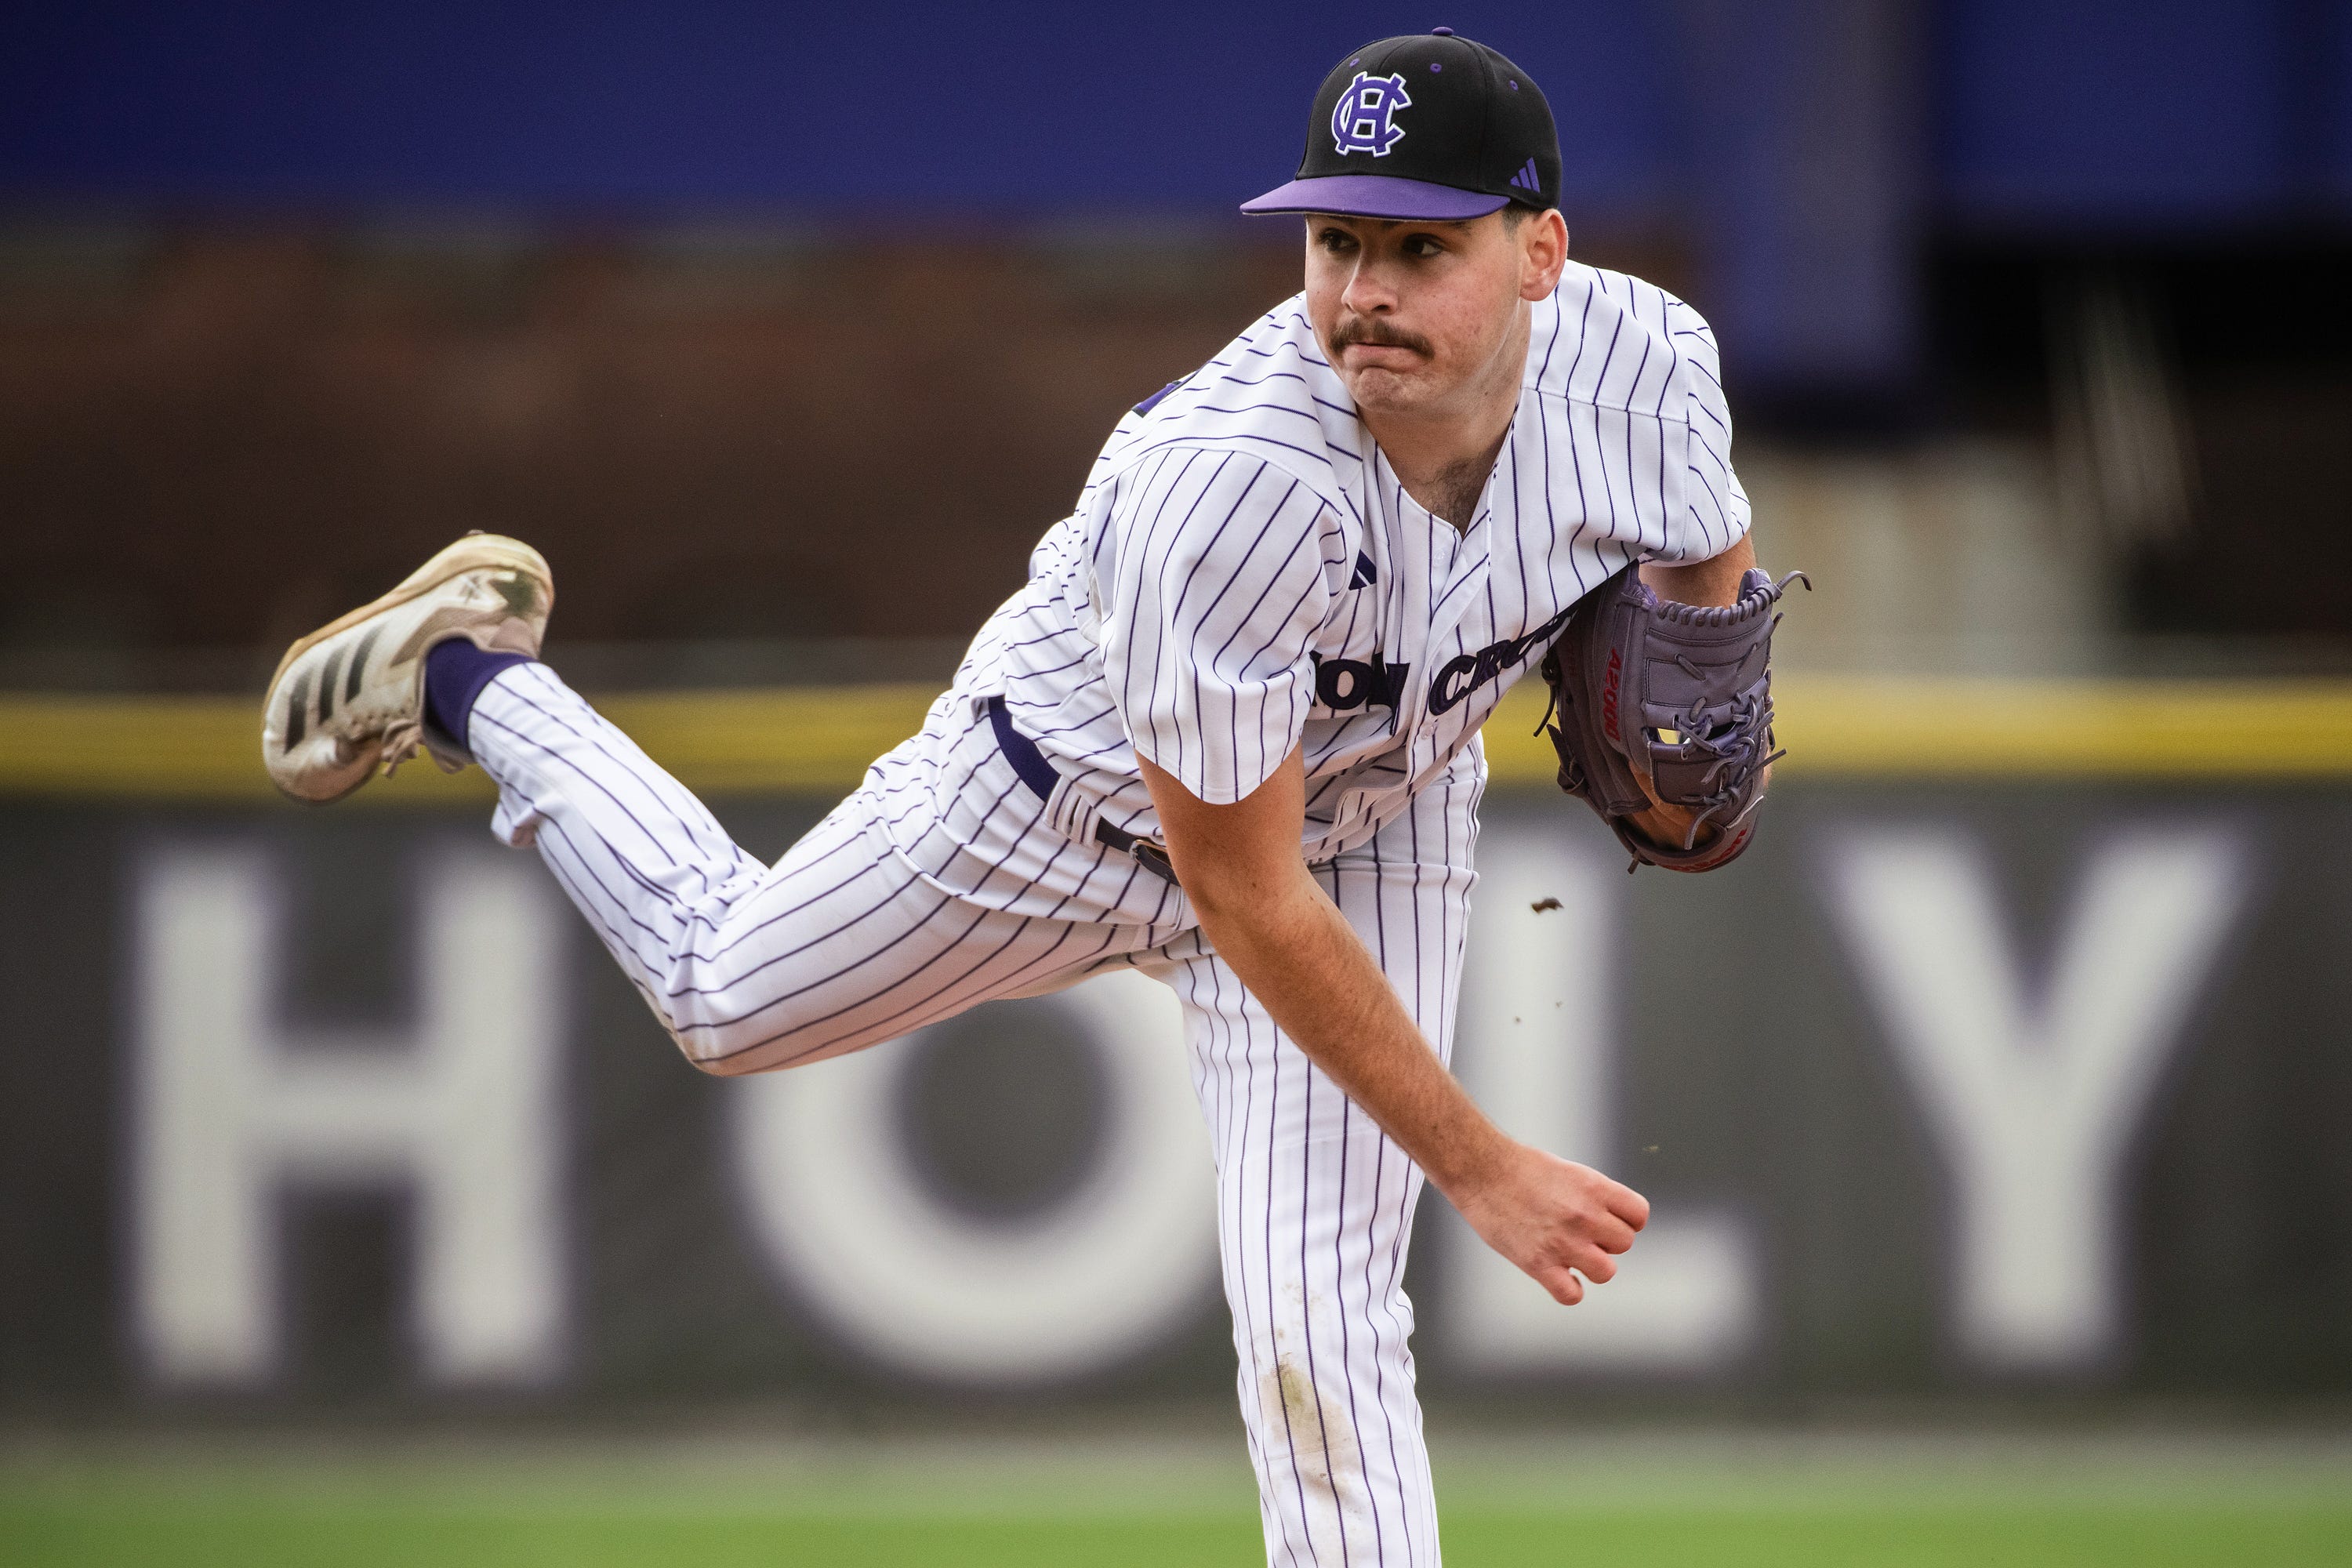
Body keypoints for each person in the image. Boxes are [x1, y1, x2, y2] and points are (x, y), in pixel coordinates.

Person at [262, 29, 1762, 1565]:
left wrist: (1698, 664)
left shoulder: (1648, 370)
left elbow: (1703, 555)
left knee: (1327, 1324)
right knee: (721, 996)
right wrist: (1477, 1160)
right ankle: (470, 677)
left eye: (1419, 247)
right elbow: (1243, 891)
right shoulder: (1238, 482)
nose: (1364, 291)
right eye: (1336, 241)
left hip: (1378, 808)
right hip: (1057, 809)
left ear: (1542, 254)